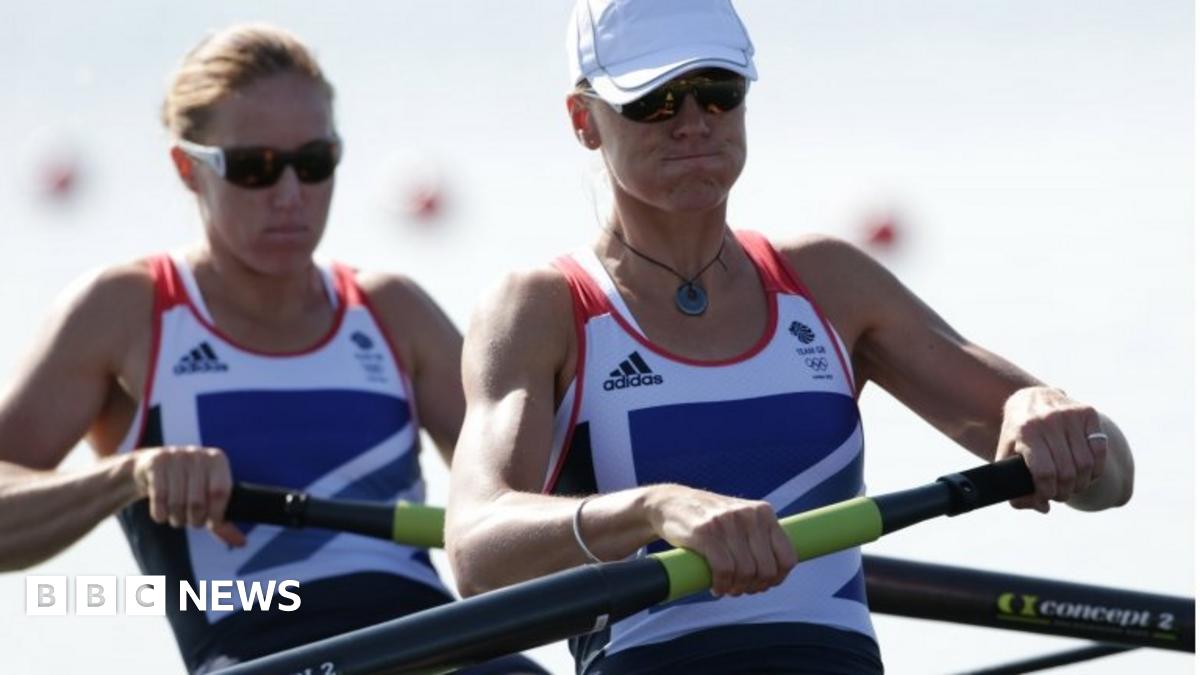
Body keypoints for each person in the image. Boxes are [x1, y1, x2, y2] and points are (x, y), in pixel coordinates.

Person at [444, 0, 1136, 673]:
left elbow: (1112, 477)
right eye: (652, 99)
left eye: (716, 91)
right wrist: (655, 507)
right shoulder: (543, 306)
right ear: (583, 120)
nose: (692, 123)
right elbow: (476, 552)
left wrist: (1044, 413)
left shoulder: (828, 281)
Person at [0, 24, 542, 675]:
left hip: (440, 643)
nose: (291, 196)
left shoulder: (392, 310)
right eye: (255, 168)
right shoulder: (127, 310)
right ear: (187, 168)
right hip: (263, 650)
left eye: (314, 163)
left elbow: (529, 497)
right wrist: (129, 475)